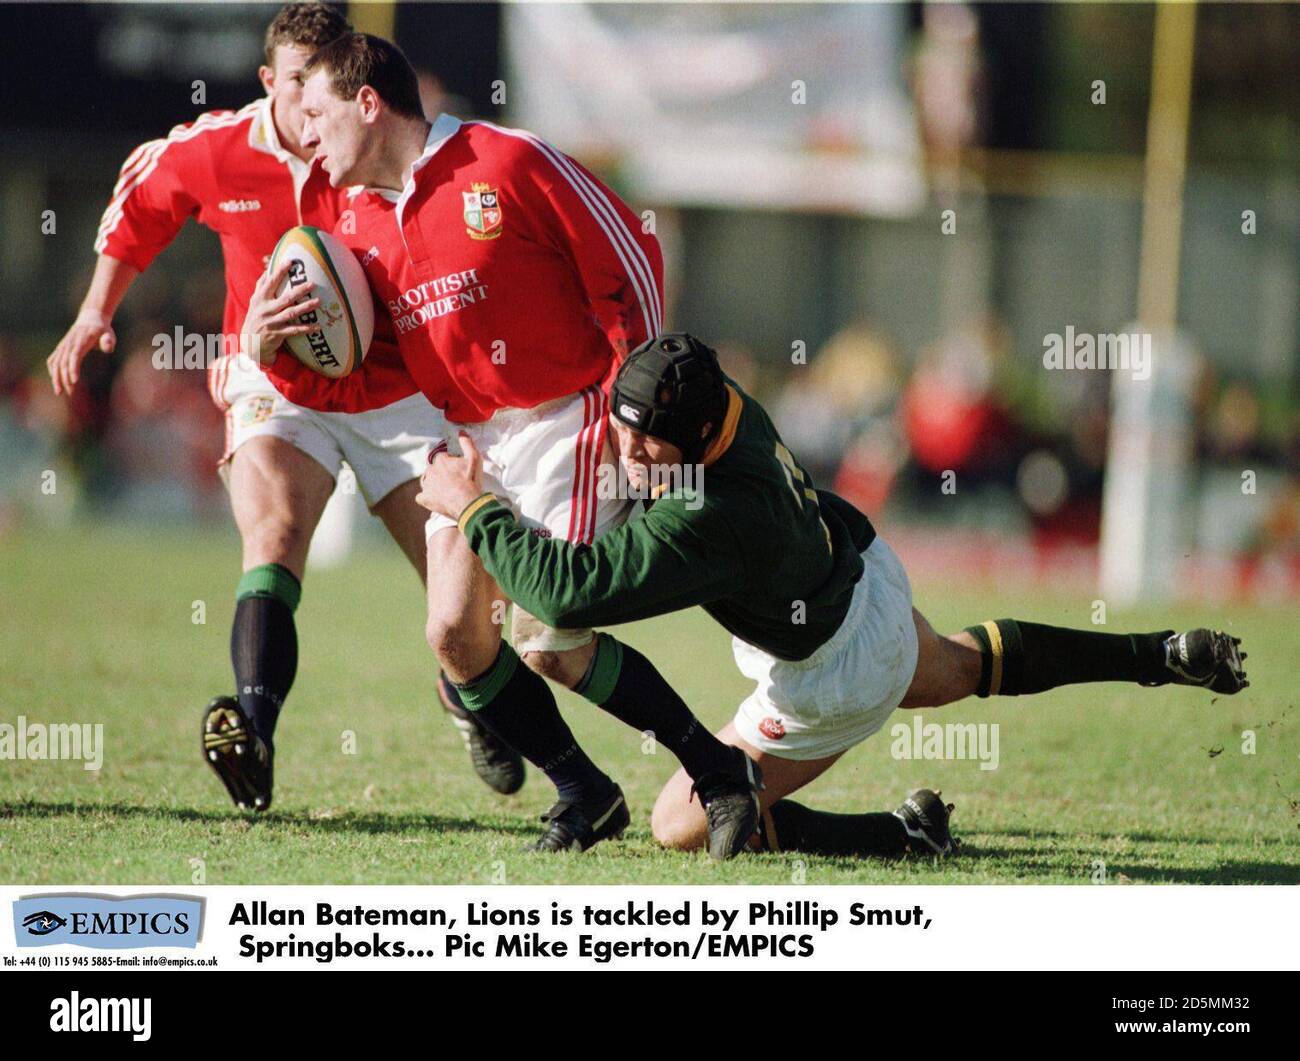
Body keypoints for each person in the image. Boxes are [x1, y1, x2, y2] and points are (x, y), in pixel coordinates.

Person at [418, 333, 1250, 860]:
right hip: (861, 579)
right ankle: (1159, 652)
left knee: (678, 818)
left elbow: (571, 587)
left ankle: (899, 836)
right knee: (959, 665)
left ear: (699, 435)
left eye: (646, 441)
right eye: (623, 428)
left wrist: (474, 505)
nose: (628, 452)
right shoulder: (726, 402)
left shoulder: (710, 513)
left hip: (831, 670)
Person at [245, 34, 757, 855]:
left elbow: (630, 259)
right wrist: (269, 355)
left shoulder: (505, 160)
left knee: (551, 629)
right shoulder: (346, 222)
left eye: (316, 112)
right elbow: (365, 376)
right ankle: (584, 791)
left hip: (569, 416)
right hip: (467, 439)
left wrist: (639, 413)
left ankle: (720, 772)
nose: (305, 132)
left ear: (367, 102)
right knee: (453, 633)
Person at [44, 5, 503, 812]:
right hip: (276, 385)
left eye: (328, 77)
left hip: (396, 390)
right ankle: (252, 731)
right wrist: (94, 311)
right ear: (268, 82)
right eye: (297, 80)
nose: (312, 96)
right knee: (276, 534)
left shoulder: (379, 144)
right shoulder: (217, 148)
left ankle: (464, 689)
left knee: (464, 604)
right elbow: (141, 199)